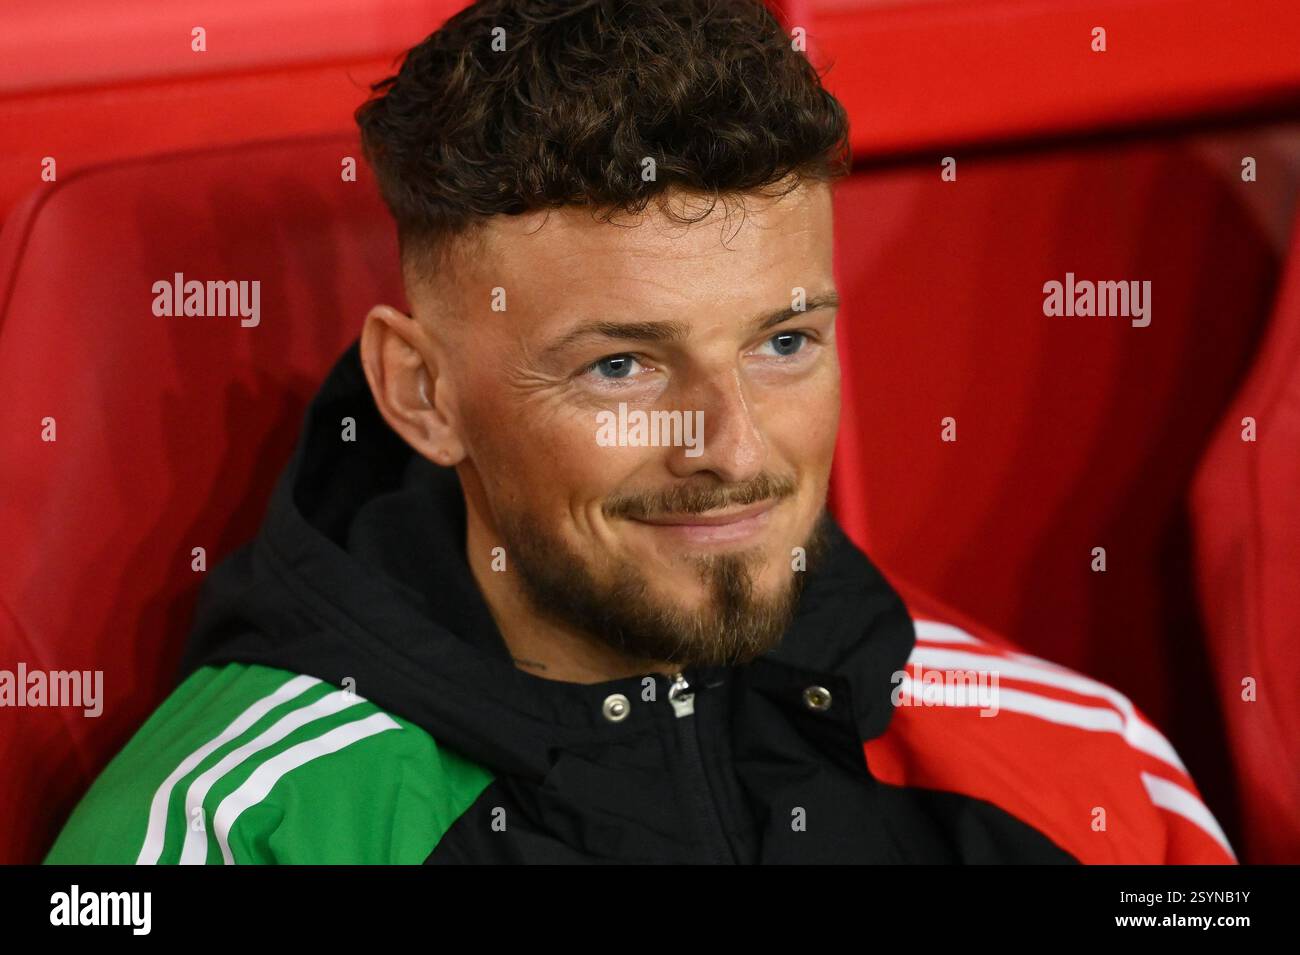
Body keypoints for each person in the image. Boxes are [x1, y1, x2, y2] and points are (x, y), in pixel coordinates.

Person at [44, 0, 1234, 864]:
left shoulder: (1078, 771)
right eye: (621, 365)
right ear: (423, 395)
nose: (731, 446)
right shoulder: (234, 835)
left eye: (782, 343)